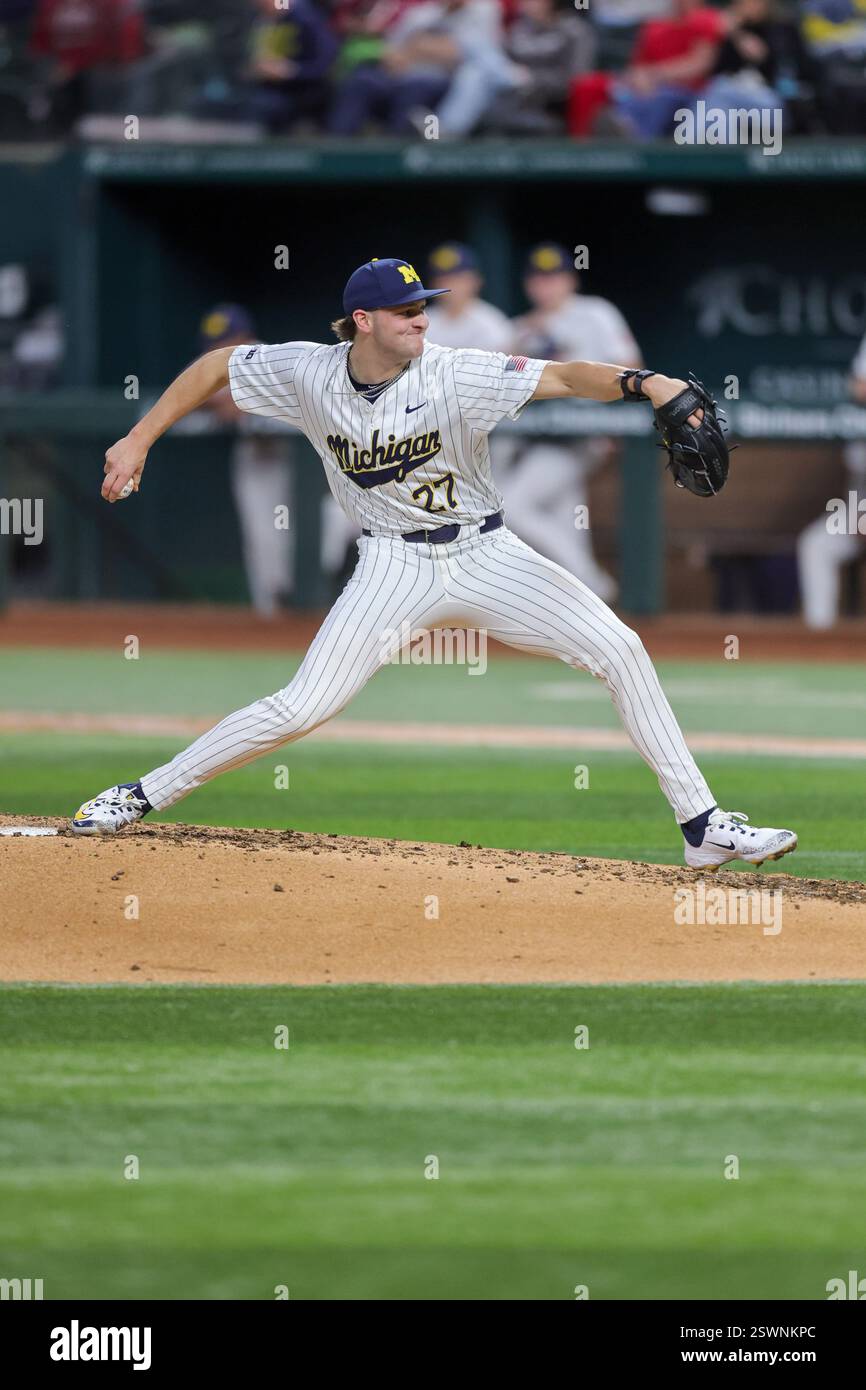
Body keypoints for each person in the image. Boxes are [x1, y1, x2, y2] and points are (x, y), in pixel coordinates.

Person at [71, 254, 797, 873]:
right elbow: (216, 366)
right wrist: (139, 439)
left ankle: (703, 827)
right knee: (301, 707)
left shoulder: (457, 372)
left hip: (487, 554)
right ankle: (139, 795)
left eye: (424, 307)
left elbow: (569, 378)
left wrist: (647, 383)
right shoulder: (307, 374)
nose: (422, 320)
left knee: (621, 648)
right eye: (405, 312)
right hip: (392, 566)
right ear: (363, 321)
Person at [500, 242, 642, 601]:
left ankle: (591, 583)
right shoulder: (521, 328)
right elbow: (498, 382)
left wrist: (616, 424)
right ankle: (584, 597)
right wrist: (519, 341)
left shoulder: (595, 313)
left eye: (554, 277)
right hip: (541, 438)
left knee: (513, 507)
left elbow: (631, 366)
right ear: (529, 285)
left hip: (584, 434)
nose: (546, 286)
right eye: (539, 279)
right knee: (564, 517)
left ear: (570, 280)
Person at [196, 304, 294, 617]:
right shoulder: (213, 360)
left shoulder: (263, 355)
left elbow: (244, 402)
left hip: (292, 458)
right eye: (214, 342)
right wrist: (223, 402)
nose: (218, 347)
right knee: (258, 535)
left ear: (245, 336)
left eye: (226, 339)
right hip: (252, 458)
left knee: (297, 531)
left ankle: (299, 603)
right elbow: (195, 389)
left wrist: (233, 402)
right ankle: (268, 612)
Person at [328, 0, 518, 136]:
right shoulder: (421, 14)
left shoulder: (484, 9)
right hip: (402, 74)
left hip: (447, 81)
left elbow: (464, 54)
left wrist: (420, 46)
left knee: (417, 87)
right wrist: (419, 50)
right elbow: (392, 53)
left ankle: (399, 154)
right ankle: (335, 148)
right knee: (363, 81)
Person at [568, 0, 726, 138]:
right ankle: (581, 148)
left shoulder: (706, 18)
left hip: (685, 90)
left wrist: (654, 76)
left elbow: (699, 64)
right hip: (645, 82)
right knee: (588, 86)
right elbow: (638, 64)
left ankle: (633, 139)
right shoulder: (655, 23)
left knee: (658, 98)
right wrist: (637, 78)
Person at [797, 333, 866, 628]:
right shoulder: (857, 418)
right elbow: (860, 386)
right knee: (816, 546)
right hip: (860, 505)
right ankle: (821, 643)